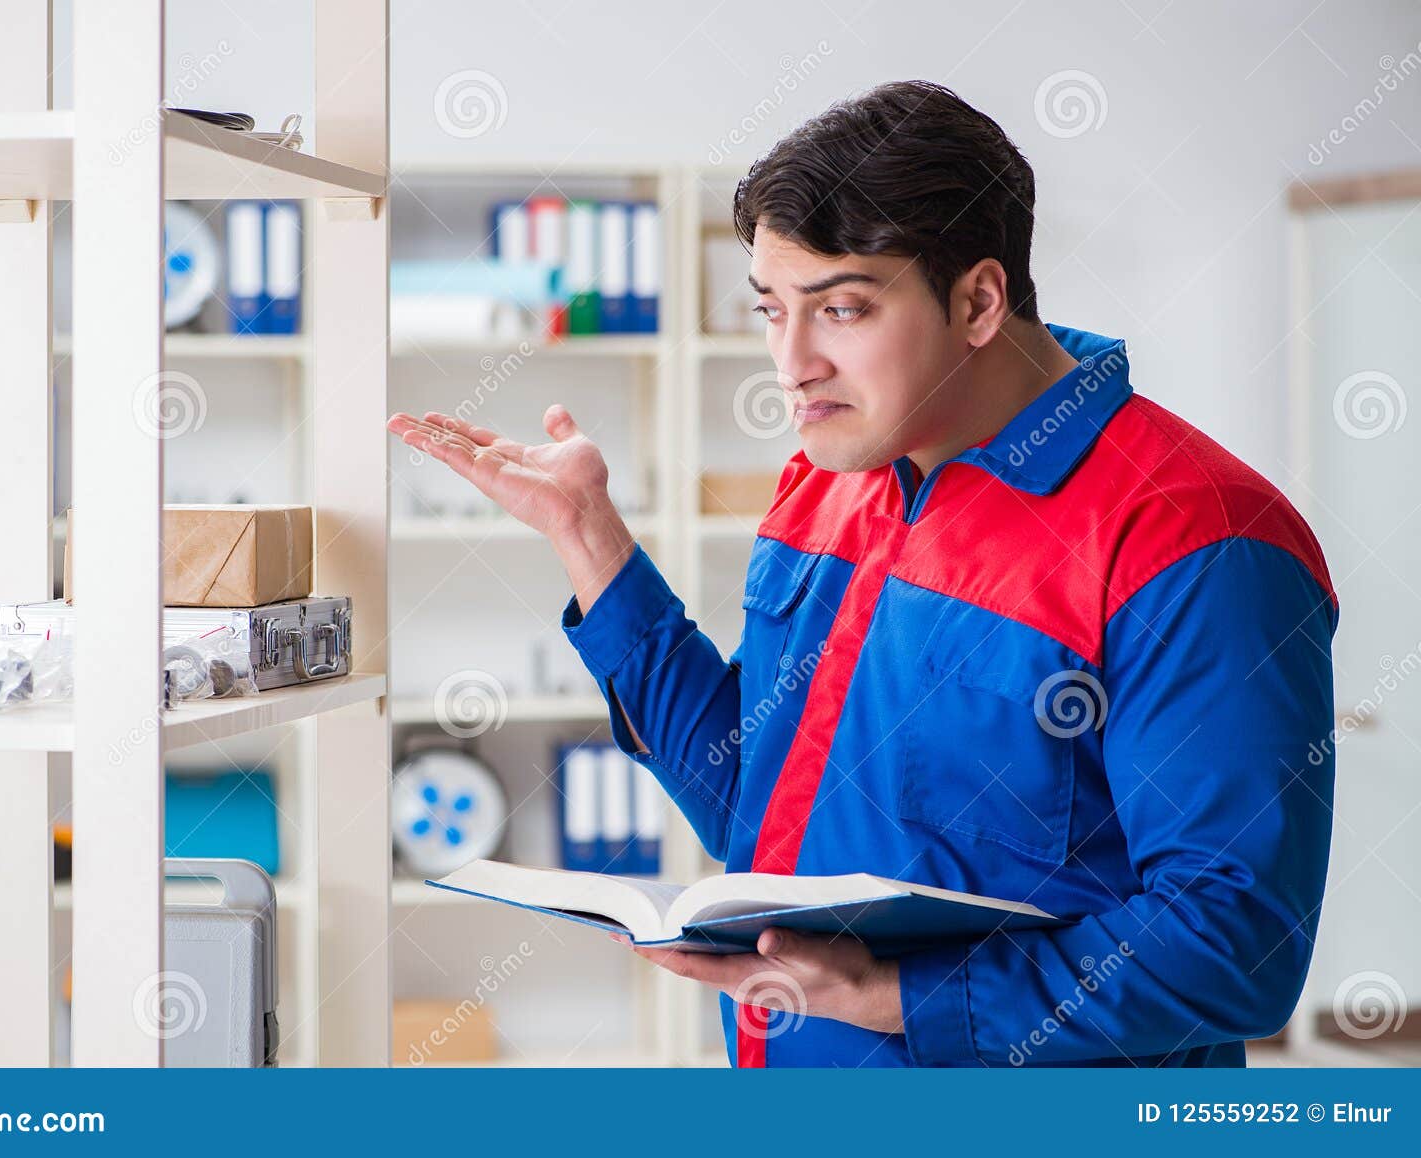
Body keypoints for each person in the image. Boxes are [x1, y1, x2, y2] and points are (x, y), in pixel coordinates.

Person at [387, 80, 1337, 1068]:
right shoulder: (830, 482)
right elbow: (755, 807)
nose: (790, 362)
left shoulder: (1195, 538)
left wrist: (898, 999)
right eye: (769, 310)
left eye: (839, 309)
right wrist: (590, 541)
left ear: (976, 301)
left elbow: (1234, 945)